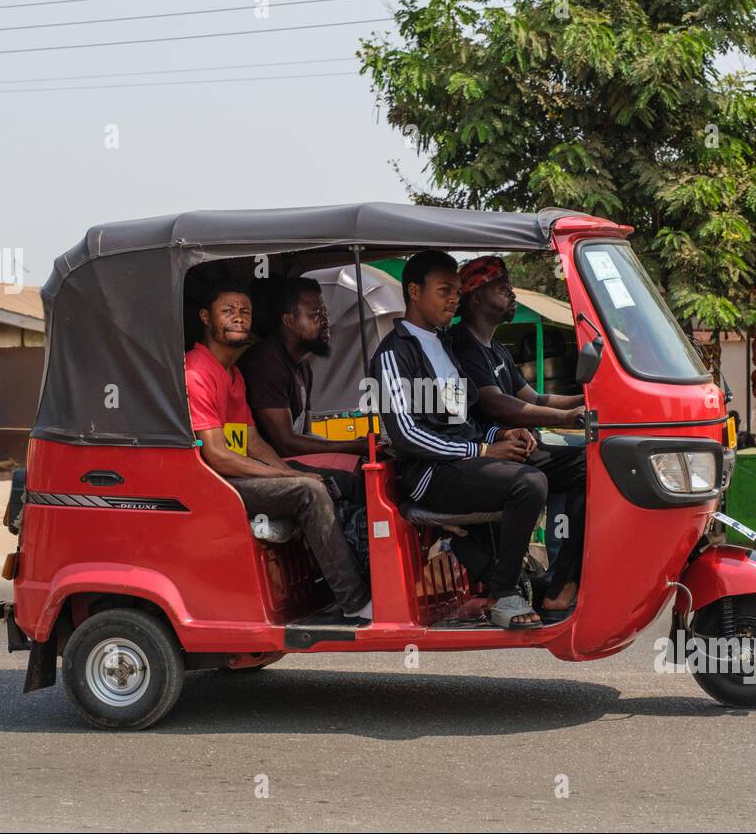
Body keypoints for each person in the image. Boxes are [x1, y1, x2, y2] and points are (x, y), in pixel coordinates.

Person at [369, 250, 547, 629]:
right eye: (445, 290)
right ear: (414, 292)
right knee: (529, 483)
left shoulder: (447, 345)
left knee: (552, 463)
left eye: (457, 290)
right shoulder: (393, 355)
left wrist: (502, 433)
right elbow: (406, 435)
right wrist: (482, 449)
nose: (455, 298)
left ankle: (535, 576)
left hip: (462, 463)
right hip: (429, 476)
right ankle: (503, 590)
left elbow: (462, 420)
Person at [185, 279, 371, 621]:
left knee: (310, 482)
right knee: (309, 491)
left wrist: (291, 472)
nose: (238, 318)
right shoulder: (196, 371)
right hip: (212, 482)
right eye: (227, 311)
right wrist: (287, 475)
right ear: (205, 318)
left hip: (231, 476)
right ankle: (356, 603)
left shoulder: (232, 374)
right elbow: (217, 455)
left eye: (245, 312)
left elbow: (254, 442)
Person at [449, 255, 587, 616]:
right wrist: (567, 417)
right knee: (588, 462)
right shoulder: (463, 344)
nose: (511, 294)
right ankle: (559, 583)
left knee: (588, 457)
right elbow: (497, 405)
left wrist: (589, 398)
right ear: (476, 296)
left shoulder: (495, 348)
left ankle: (562, 573)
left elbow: (532, 398)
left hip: (518, 440)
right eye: (502, 287)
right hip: (490, 449)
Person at [238, 277, 369, 461]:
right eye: (315, 314)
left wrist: (353, 445)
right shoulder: (267, 362)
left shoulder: (303, 366)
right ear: (289, 320)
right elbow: (285, 443)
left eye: (325, 314)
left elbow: (305, 433)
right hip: (269, 464)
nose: (325, 322)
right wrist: (353, 447)